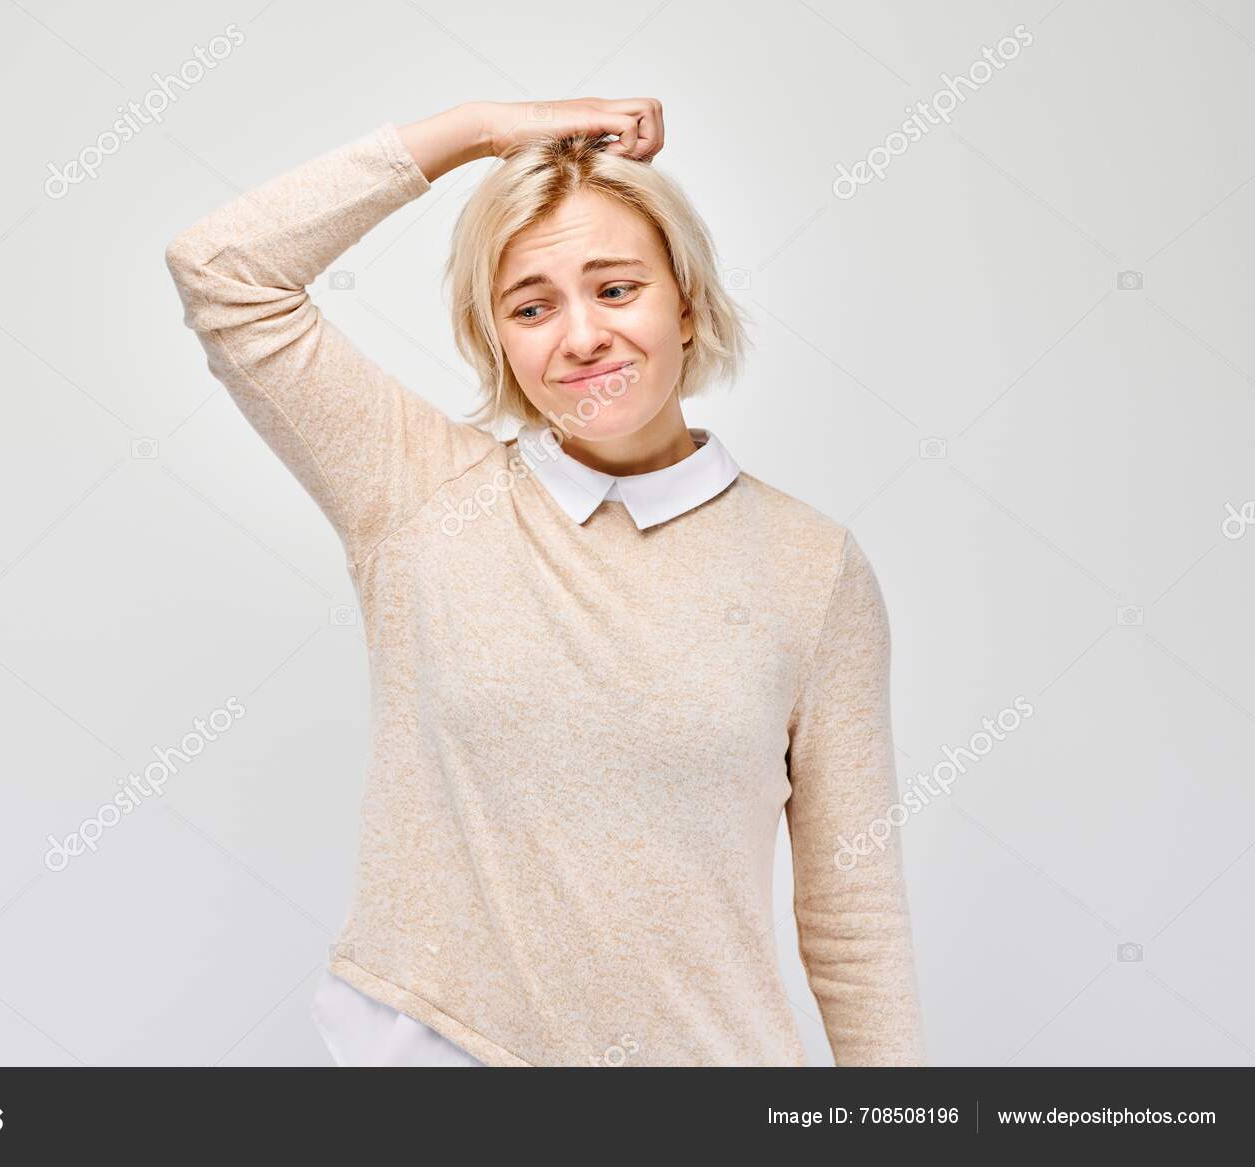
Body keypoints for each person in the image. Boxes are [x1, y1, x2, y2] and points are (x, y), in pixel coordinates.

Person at [165, 98, 926, 1067]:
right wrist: (477, 131)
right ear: (496, 340)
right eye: (532, 307)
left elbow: (853, 914)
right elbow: (222, 270)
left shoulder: (810, 567)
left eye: (617, 289)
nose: (581, 337)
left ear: (686, 303)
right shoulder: (419, 497)